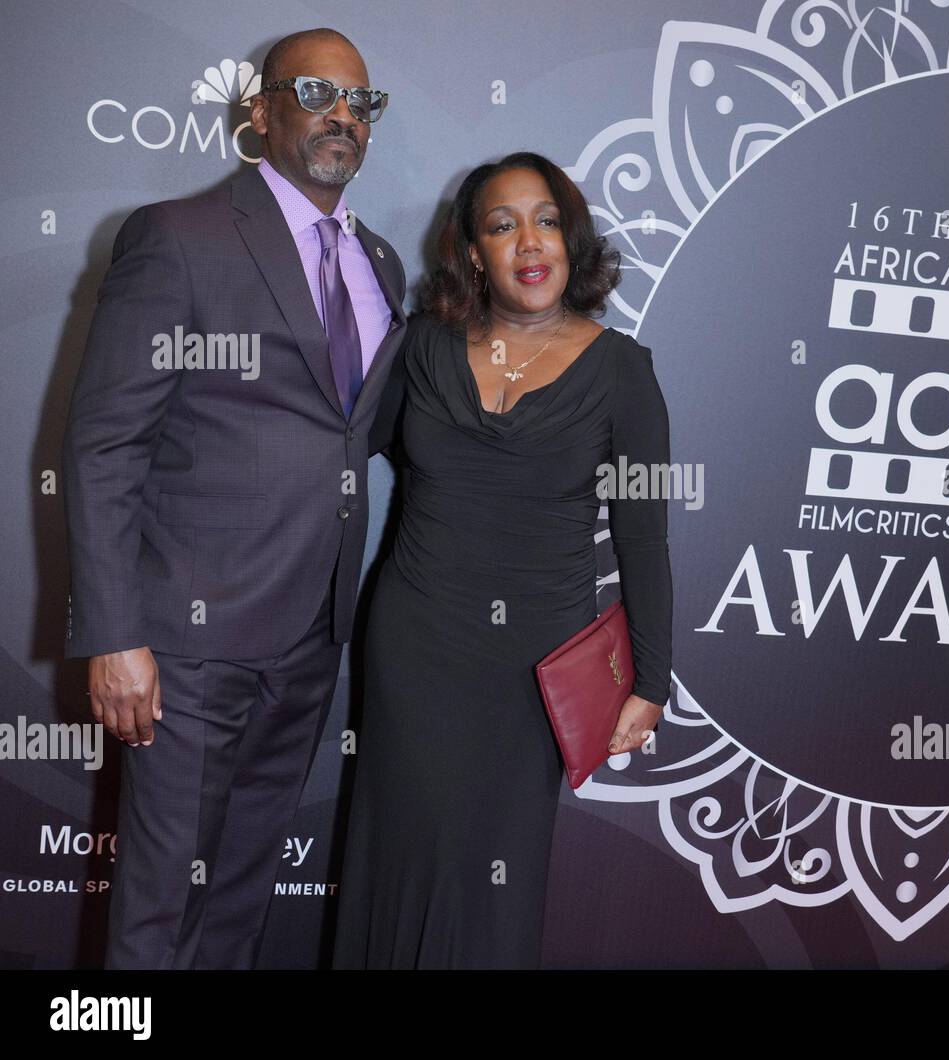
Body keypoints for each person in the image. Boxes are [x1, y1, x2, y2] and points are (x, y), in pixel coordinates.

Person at [61, 28, 406, 969]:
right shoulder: (179, 236)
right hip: (185, 645)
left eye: (361, 102)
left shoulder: (380, 263)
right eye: (317, 92)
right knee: (160, 909)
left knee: (240, 898)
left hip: (309, 637)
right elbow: (102, 446)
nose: (344, 114)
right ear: (260, 113)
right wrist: (115, 634)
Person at [333, 152, 673, 968]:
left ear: (572, 241)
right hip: (416, 647)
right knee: (396, 854)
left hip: (533, 667)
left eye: (547, 220)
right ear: (472, 252)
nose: (530, 241)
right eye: (502, 224)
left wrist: (653, 683)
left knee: (496, 878)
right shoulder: (421, 348)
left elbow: (645, 538)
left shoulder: (624, 371)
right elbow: (338, 443)